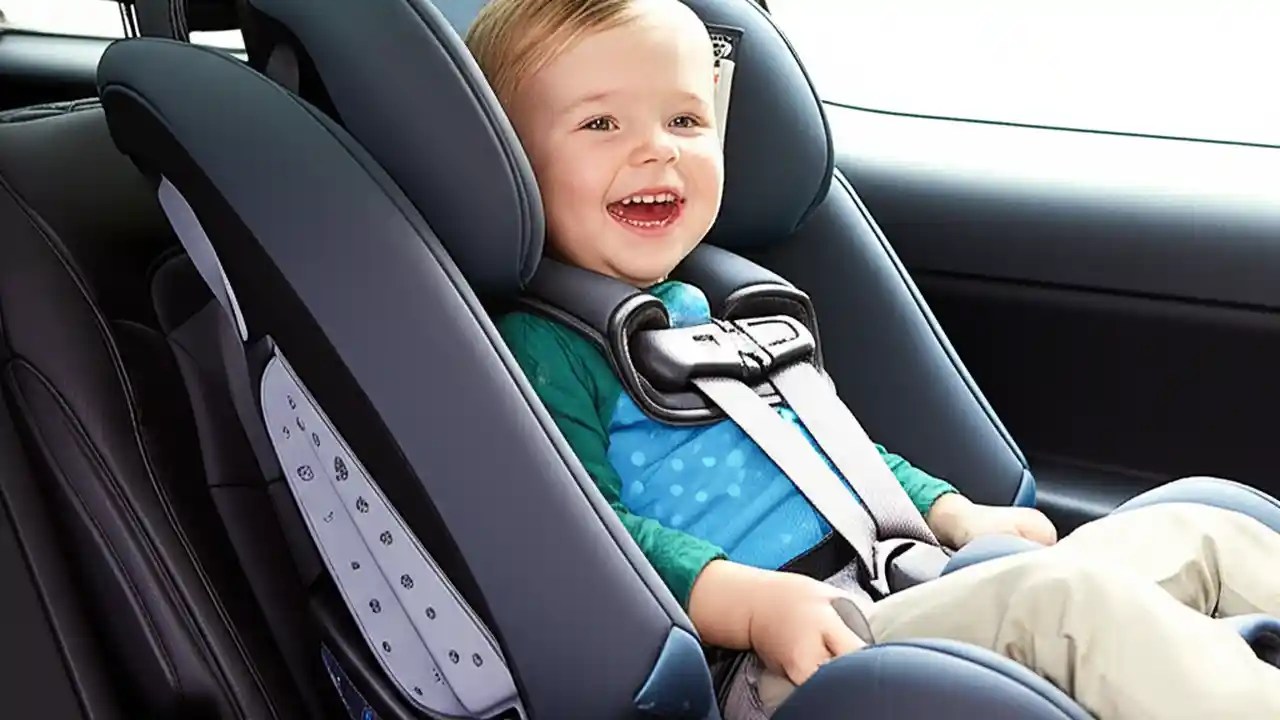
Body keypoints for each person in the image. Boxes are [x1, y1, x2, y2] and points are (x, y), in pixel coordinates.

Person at [464, 0, 1280, 717]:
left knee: (1200, 528)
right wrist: (748, 606)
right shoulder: (541, 350)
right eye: (601, 124)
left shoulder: (704, 312)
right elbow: (583, 538)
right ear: (510, 170)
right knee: (1064, 599)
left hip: (896, 583)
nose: (657, 151)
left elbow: (833, 452)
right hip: (776, 659)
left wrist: (953, 512)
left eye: (684, 121)